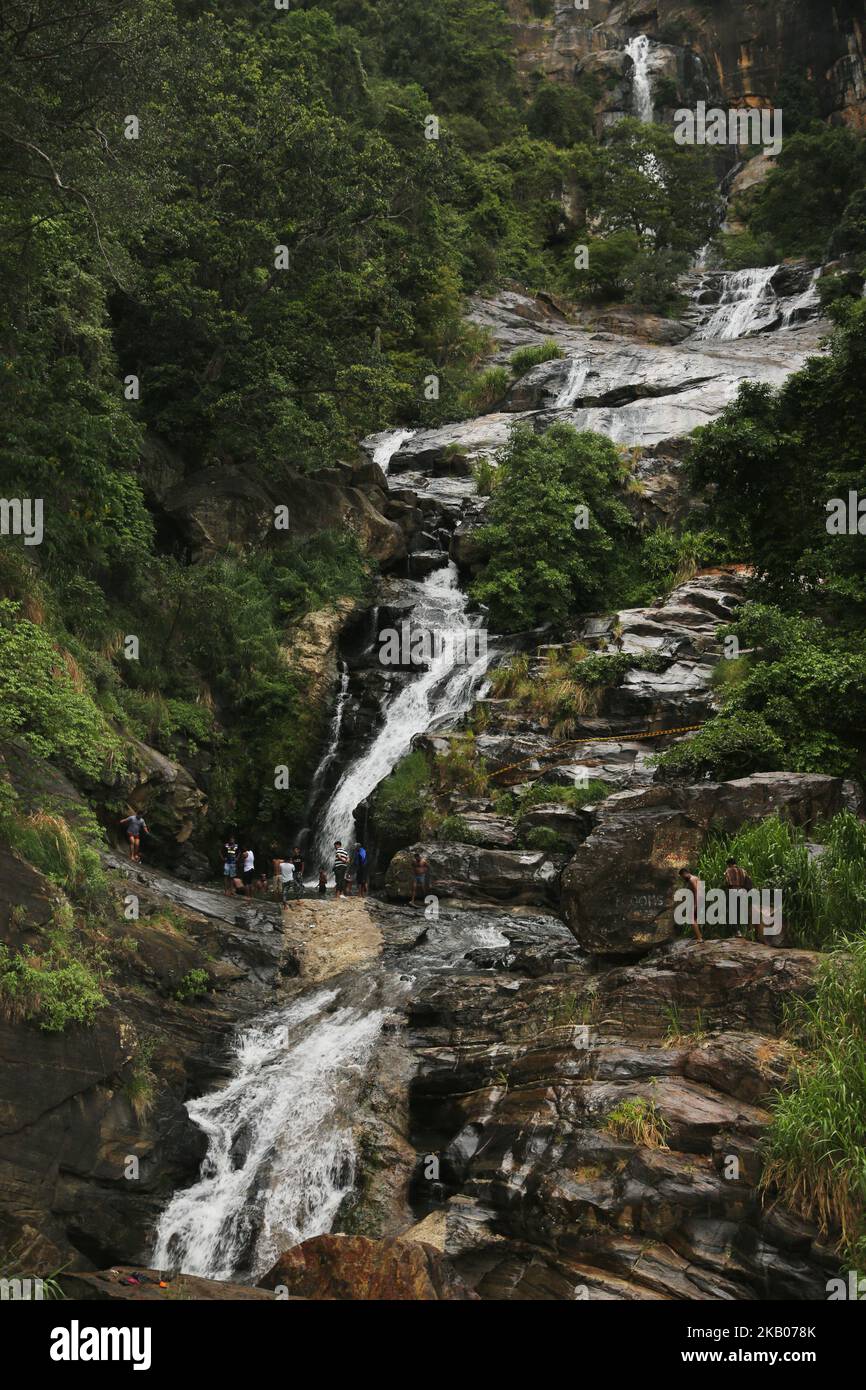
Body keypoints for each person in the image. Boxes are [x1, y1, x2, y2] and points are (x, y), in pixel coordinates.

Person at [724, 856, 755, 938]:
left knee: (733, 912)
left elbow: (727, 882)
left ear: (729, 864)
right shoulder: (743, 870)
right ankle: (749, 930)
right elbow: (748, 880)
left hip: (733, 891)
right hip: (743, 892)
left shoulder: (728, 870)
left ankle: (737, 932)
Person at [678, 867, 704, 942]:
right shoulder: (695, 878)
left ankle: (699, 938)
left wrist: (695, 905)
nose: (682, 878)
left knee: (691, 919)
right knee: (695, 918)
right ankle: (699, 935)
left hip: (697, 900)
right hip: (700, 899)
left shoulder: (691, 880)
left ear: (685, 873)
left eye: (682, 876)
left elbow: (697, 892)